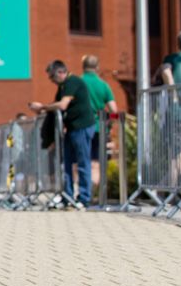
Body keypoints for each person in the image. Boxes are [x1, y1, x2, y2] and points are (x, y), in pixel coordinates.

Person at [30, 60, 97, 208]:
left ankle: (84, 198)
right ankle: (67, 195)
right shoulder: (63, 86)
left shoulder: (72, 82)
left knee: (82, 162)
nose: (52, 81)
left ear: (61, 72)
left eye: (53, 77)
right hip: (72, 128)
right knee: (65, 163)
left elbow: (62, 104)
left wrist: (43, 107)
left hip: (82, 127)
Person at [81, 55, 118, 190]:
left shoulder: (78, 83)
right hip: (99, 127)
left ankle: (82, 193)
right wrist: (110, 122)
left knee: (81, 162)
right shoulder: (103, 85)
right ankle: (94, 194)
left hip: (80, 127)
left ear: (83, 67)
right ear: (97, 67)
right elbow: (114, 110)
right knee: (95, 162)